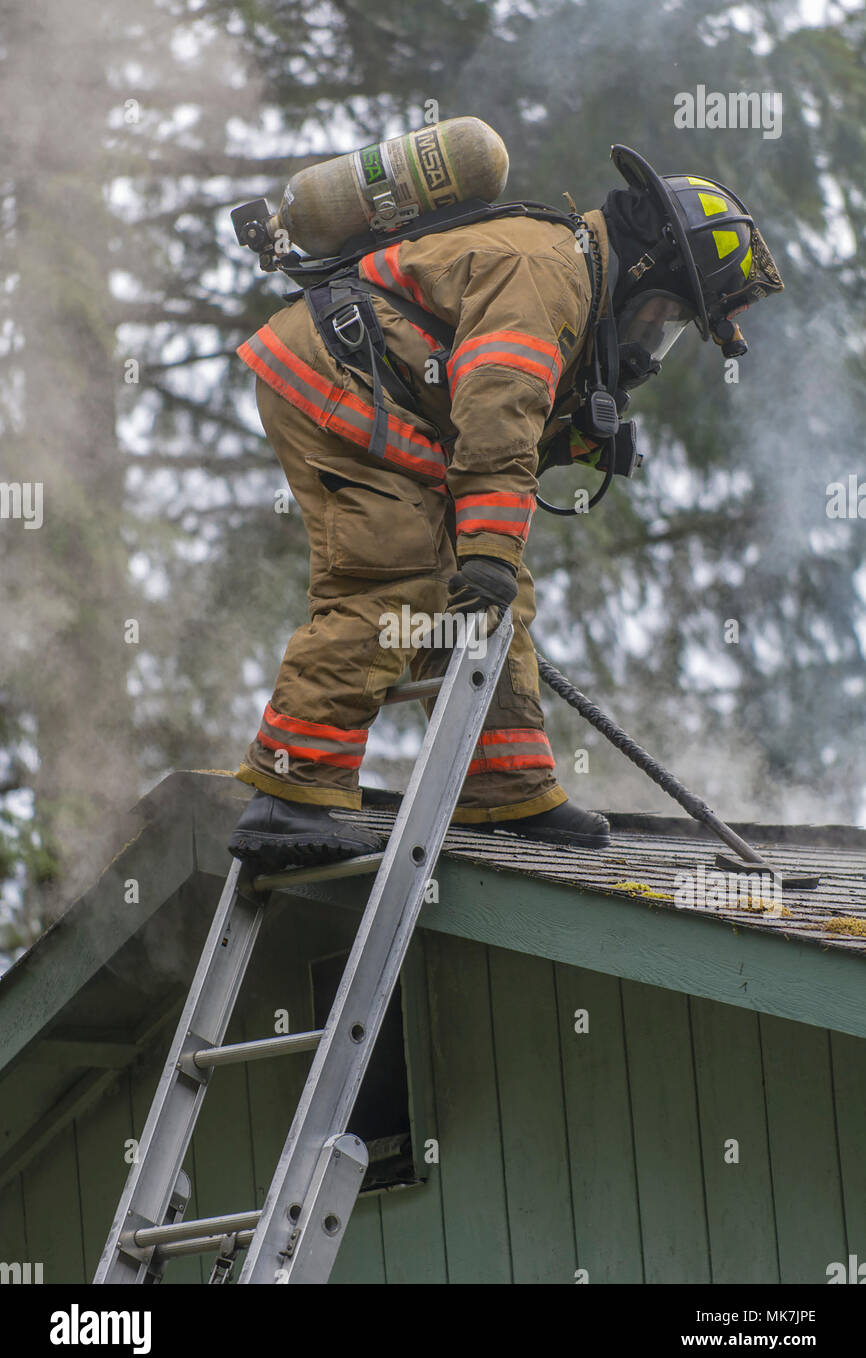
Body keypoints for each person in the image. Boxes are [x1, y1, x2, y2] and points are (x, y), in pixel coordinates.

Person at [228, 144, 783, 872]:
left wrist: (577, 442)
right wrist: (486, 545)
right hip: (333, 381)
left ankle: (504, 787)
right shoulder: (546, 272)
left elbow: (502, 405)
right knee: (396, 579)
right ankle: (286, 797)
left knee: (496, 592)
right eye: (667, 317)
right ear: (641, 270)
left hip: (383, 390)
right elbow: (497, 407)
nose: (653, 345)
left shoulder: (573, 281)